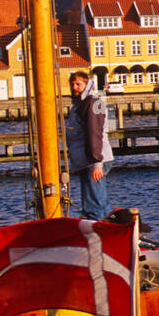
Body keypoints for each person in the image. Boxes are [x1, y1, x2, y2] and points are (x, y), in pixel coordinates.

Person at [66, 71, 115, 221]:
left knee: (94, 203)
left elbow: (95, 132)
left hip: (94, 159)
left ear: (87, 85)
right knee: (94, 201)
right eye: (72, 84)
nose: (75, 87)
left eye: (78, 84)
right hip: (86, 161)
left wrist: (96, 163)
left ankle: (99, 229)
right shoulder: (80, 105)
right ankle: (100, 225)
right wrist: (75, 165)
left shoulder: (94, 103)